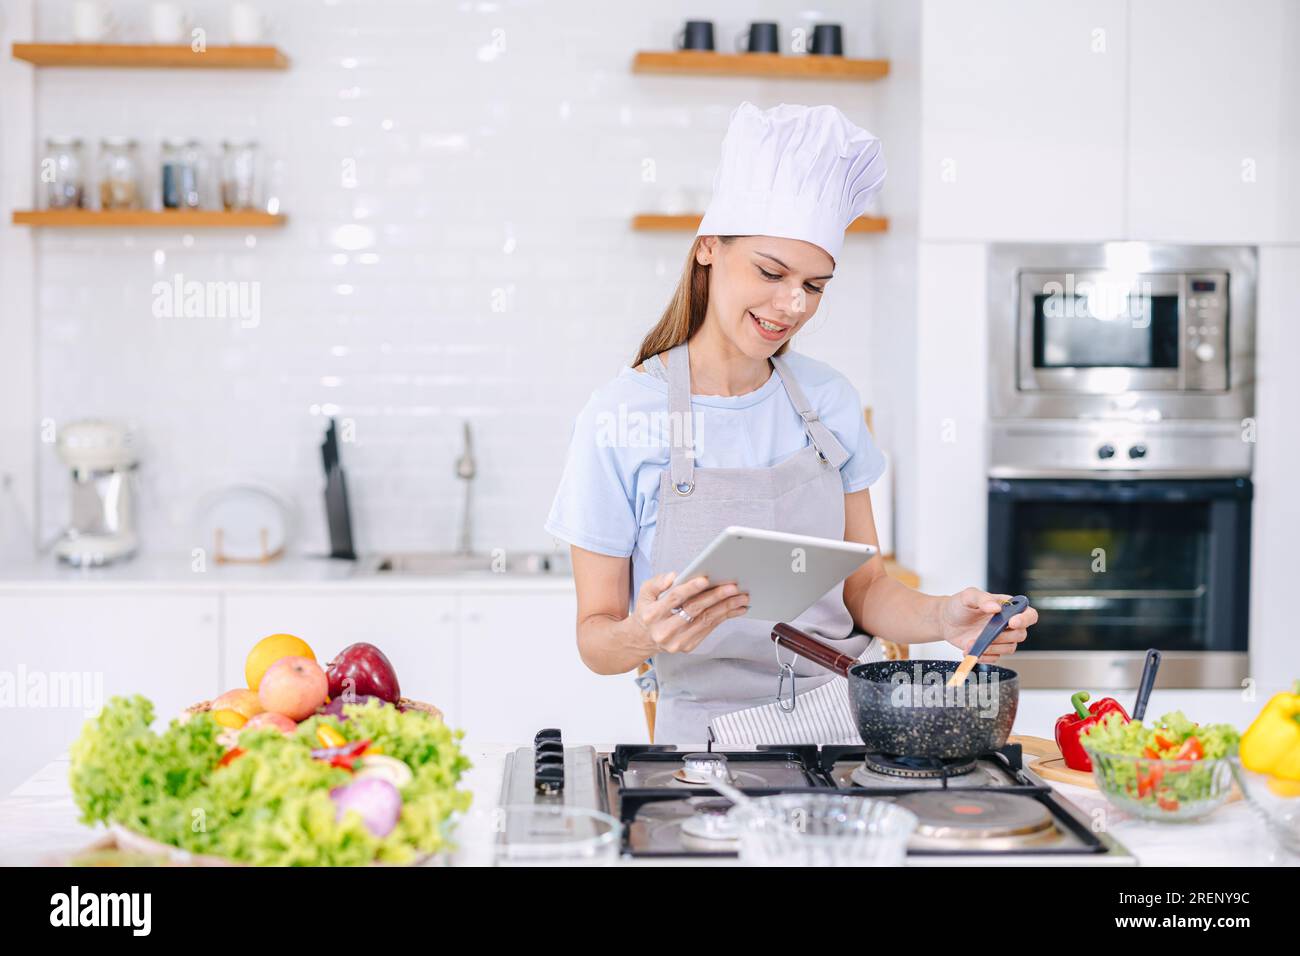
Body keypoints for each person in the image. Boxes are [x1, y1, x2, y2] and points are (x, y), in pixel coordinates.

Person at [545, 102, 1038, 742]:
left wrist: (944, 617)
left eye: (815, 285)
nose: (792, 305)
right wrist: (642, 633)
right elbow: (596, 641)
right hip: (702, 745)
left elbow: (866, 591)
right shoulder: (619, 416)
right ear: (708, 250)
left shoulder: (829, 401)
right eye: (771, 273)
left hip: (846, 729)